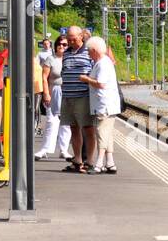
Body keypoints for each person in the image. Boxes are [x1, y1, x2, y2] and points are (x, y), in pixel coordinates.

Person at [57, 26, 96, 172]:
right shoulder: (66, 53)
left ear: (81, 36)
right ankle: (77, 159)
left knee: (88, 128)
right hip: (67, 96)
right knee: (73, 128)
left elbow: (95, 71)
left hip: (83, 96)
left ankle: (89, 161)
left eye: (73, 39)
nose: (71, 42)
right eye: (69, 39)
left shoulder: (88, 52)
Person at [81, 35, 121, 174]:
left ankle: (98, 164)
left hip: (104, 105)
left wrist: (86, 79)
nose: (88, 54)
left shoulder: (102, 64)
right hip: (107, 104)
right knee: (107, 134)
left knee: (101, 133)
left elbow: (101, 84)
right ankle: (110, 163)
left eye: (89, 51)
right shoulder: (104, 62)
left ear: (94, 50)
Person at [35, 35, 72, 160]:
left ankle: (64, 150)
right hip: (54, 90)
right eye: (59, 44)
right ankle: (45, 149)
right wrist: (46, 93)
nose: (61, 46)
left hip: (68, 91)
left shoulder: (70, 59)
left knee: (66, 122)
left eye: (64, 44)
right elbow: (44, 77)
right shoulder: (51, 59)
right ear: (55, 46)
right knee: (51, 120)